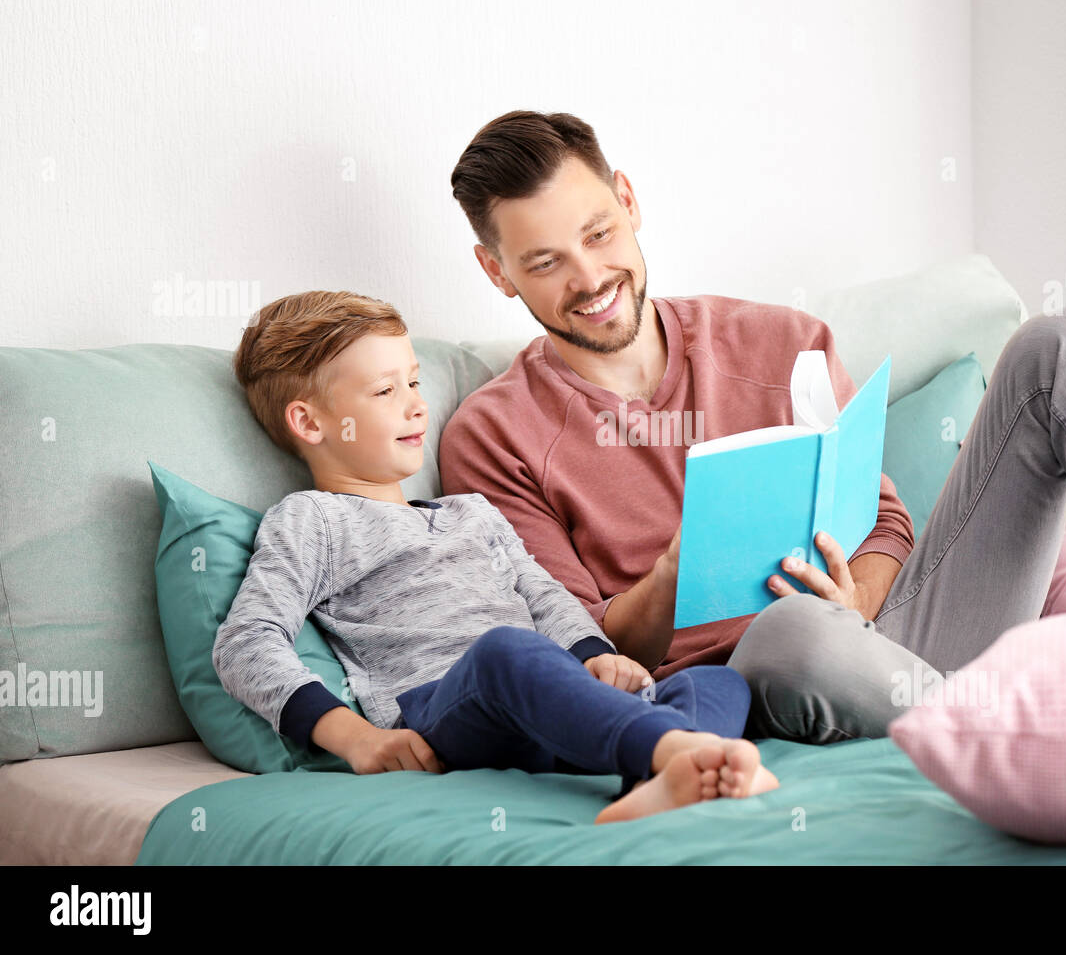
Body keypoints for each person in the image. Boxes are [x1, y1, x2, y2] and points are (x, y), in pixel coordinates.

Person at [438, 109, 1066, 743]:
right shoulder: (494, 435)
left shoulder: (778, 341)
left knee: (1064, 344)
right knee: (792, 628)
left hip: (906, 631)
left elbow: (888, 523)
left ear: (628, 200)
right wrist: (671, 576)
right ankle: (1038, 744)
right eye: (545, 262)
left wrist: (856, 598)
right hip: (755, 679)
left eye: (598, 233)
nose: (590, 278)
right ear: (497, 271)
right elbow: (585, 657)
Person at [213, 290, 779, 824]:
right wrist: (354, 737)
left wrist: (593, 656)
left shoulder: (472, 512)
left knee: (716, 682)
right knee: (507, 652)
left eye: (414, 382)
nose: (415, 406)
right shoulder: (312, 520)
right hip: (449, 704)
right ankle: (676, 749)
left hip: (553, 694)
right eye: (386, 392)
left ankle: (656, 786)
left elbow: (543, 595)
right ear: (309, 422)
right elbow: (246, 641)